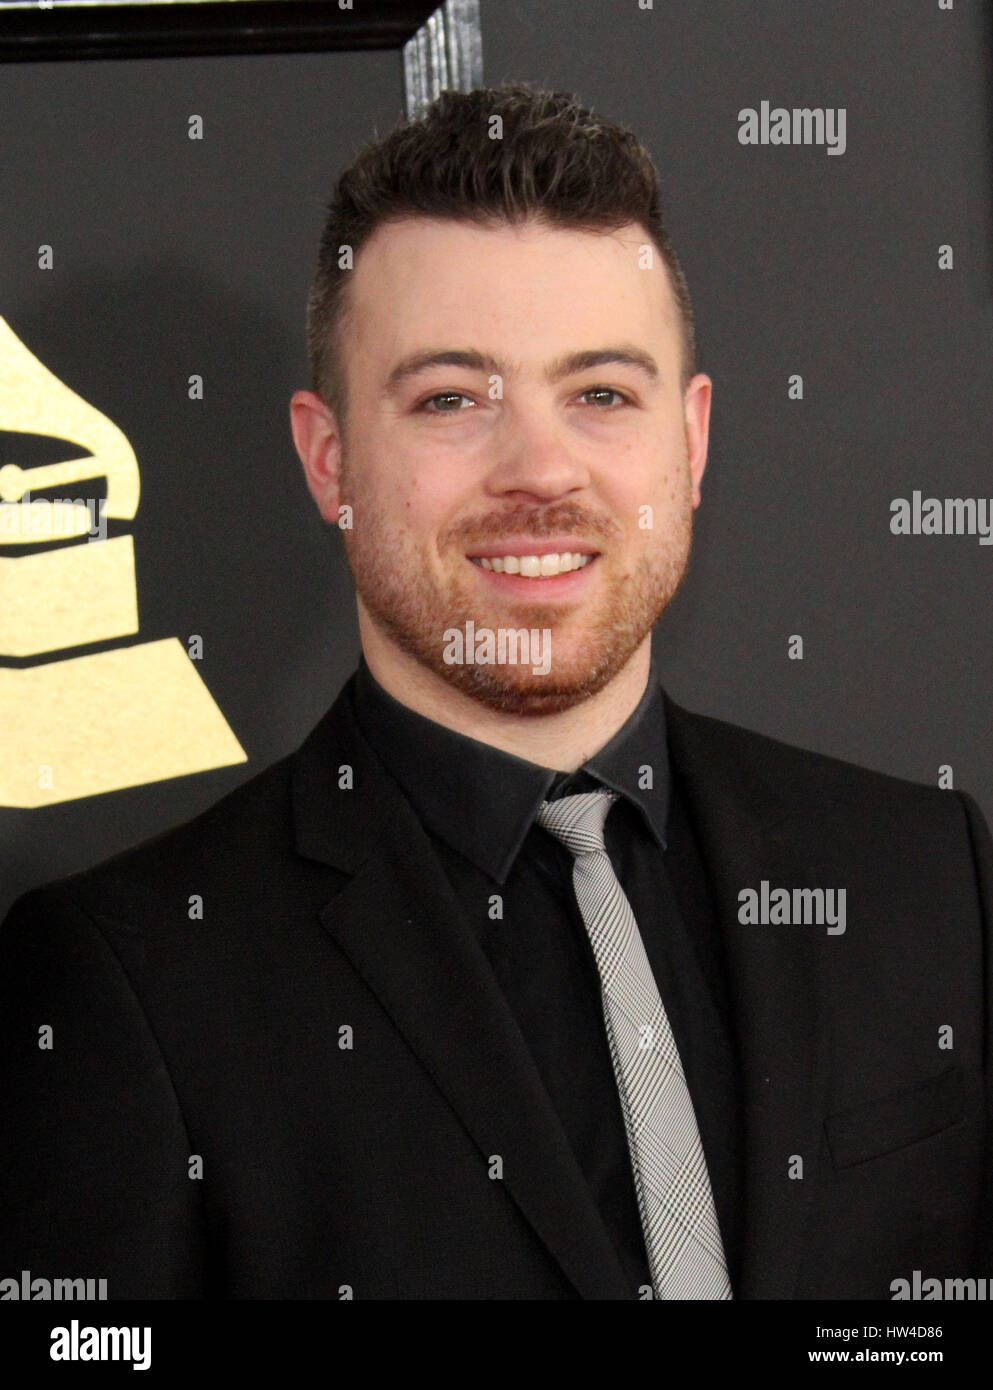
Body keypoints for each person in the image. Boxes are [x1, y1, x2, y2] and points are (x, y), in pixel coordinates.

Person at [1, 83, 990, 1302]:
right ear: (329, 459)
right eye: (452, 400)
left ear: (693, 442)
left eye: (603, 394)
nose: (539, 471)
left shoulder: (922, 877)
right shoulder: (136, 984)